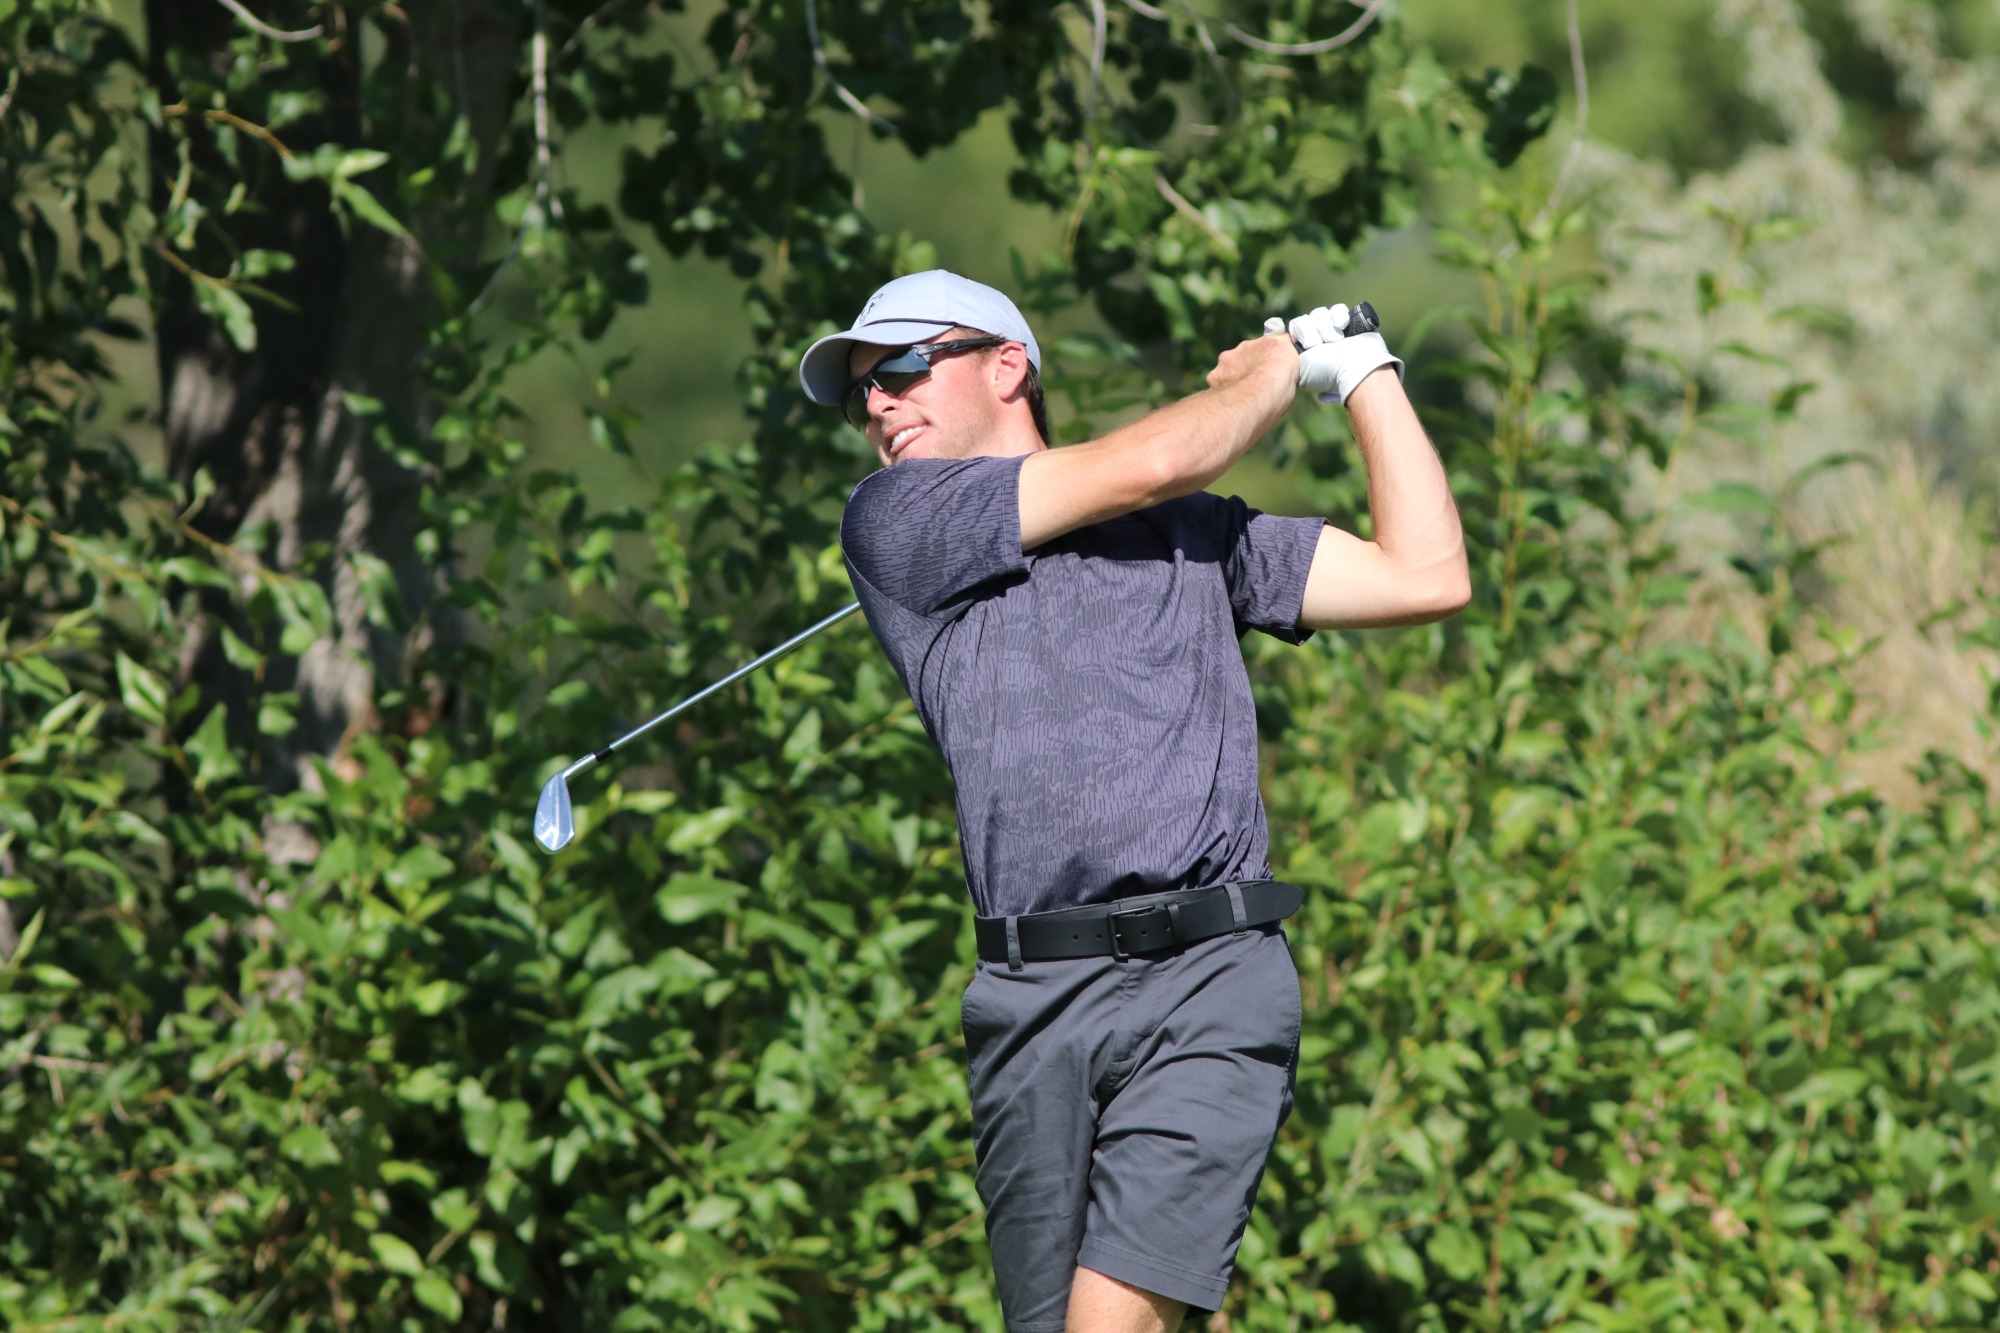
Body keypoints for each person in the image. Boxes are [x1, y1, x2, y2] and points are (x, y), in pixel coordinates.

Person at [798, 271, 1468, 1333]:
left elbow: (1424, 574)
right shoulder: (896, 518)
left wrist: (1362, 372)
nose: (876, 404)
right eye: (857, 396)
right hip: (1030, 999)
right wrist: (1267, 374)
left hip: (1210, 973)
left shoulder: (1187, 530)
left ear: (1007, 365)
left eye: (902, 369)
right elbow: (1160, 453)